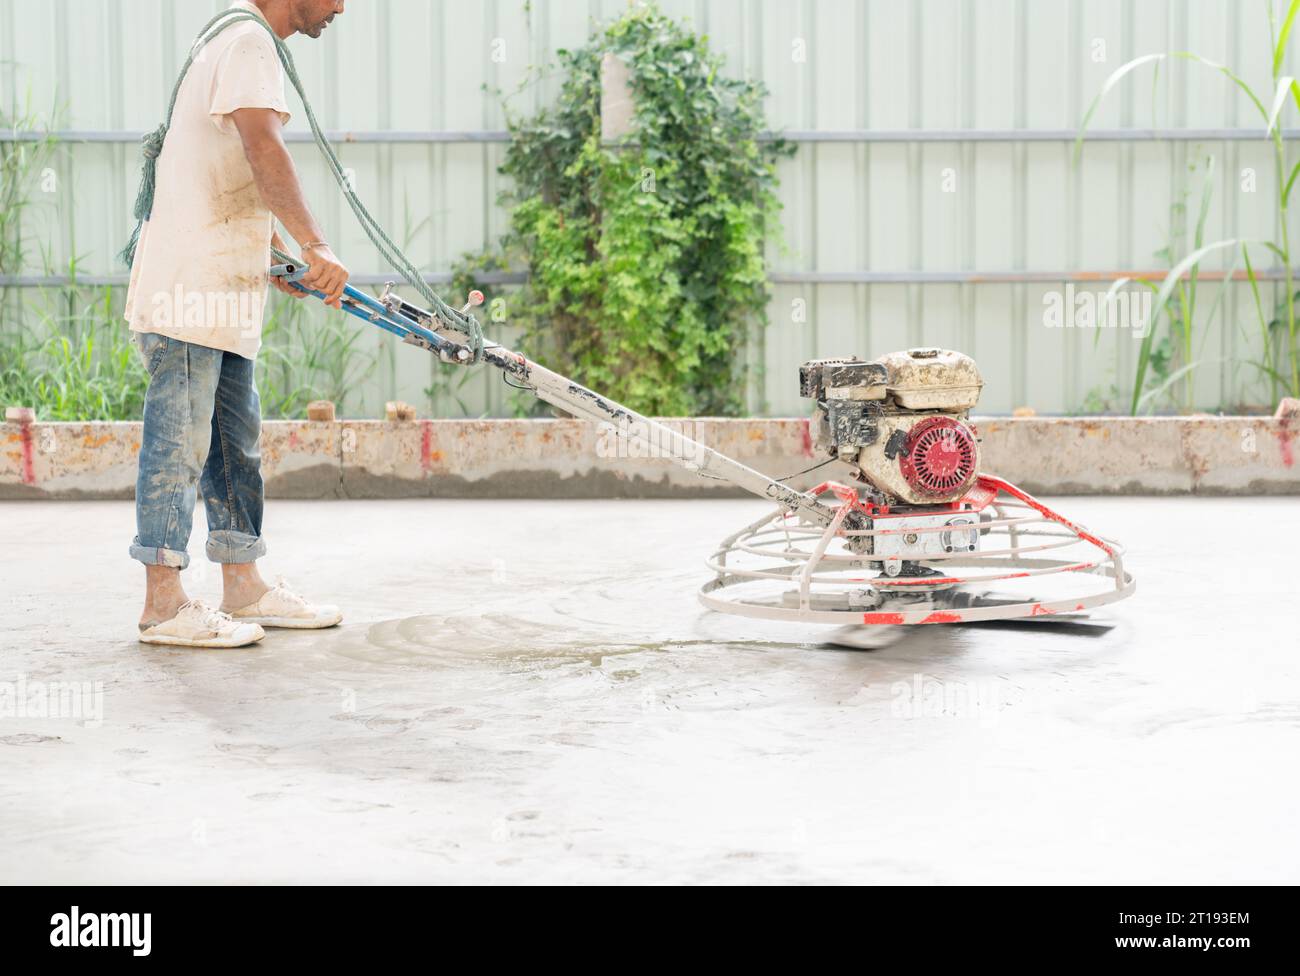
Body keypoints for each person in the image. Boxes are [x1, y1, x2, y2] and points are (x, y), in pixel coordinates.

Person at [124, 0, 349, 648]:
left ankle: (243, 582)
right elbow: (260, 146)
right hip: (192, 286)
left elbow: (224, 166)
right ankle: (162, 604)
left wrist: (275, 255)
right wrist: (316, 243)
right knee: (179, 444)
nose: (340, 6)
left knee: (232, 443)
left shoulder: (233, 37)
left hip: (221, 283)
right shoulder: (247, 40)